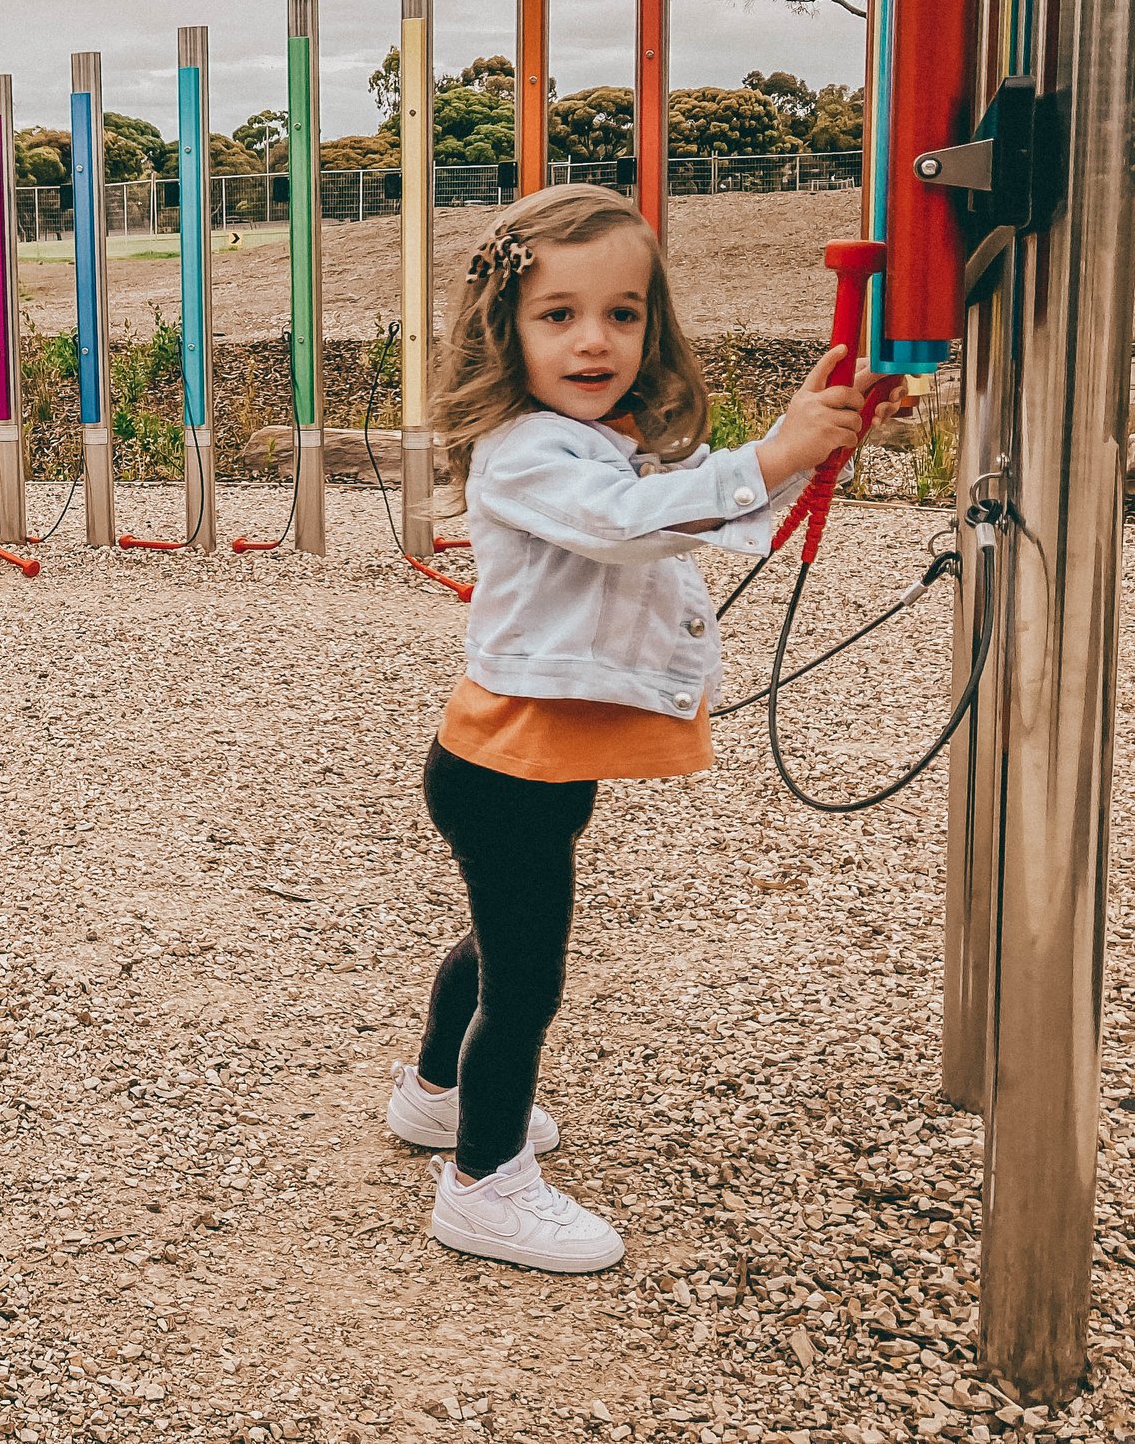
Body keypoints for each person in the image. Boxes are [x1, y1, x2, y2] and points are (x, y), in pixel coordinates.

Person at [382, 186, 892, 1273]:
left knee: (495, 940)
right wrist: (771, 456)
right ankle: (481, 1183)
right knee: (526, 979)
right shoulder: (524, 453)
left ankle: (435, 1095)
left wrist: (794, 443)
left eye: (622, 312)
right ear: (502, 330)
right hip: (508, 767)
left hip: (528, 759)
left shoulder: (585, 441)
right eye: (556, 314)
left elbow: (660, 510)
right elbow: (624, 528)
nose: (593, 339)